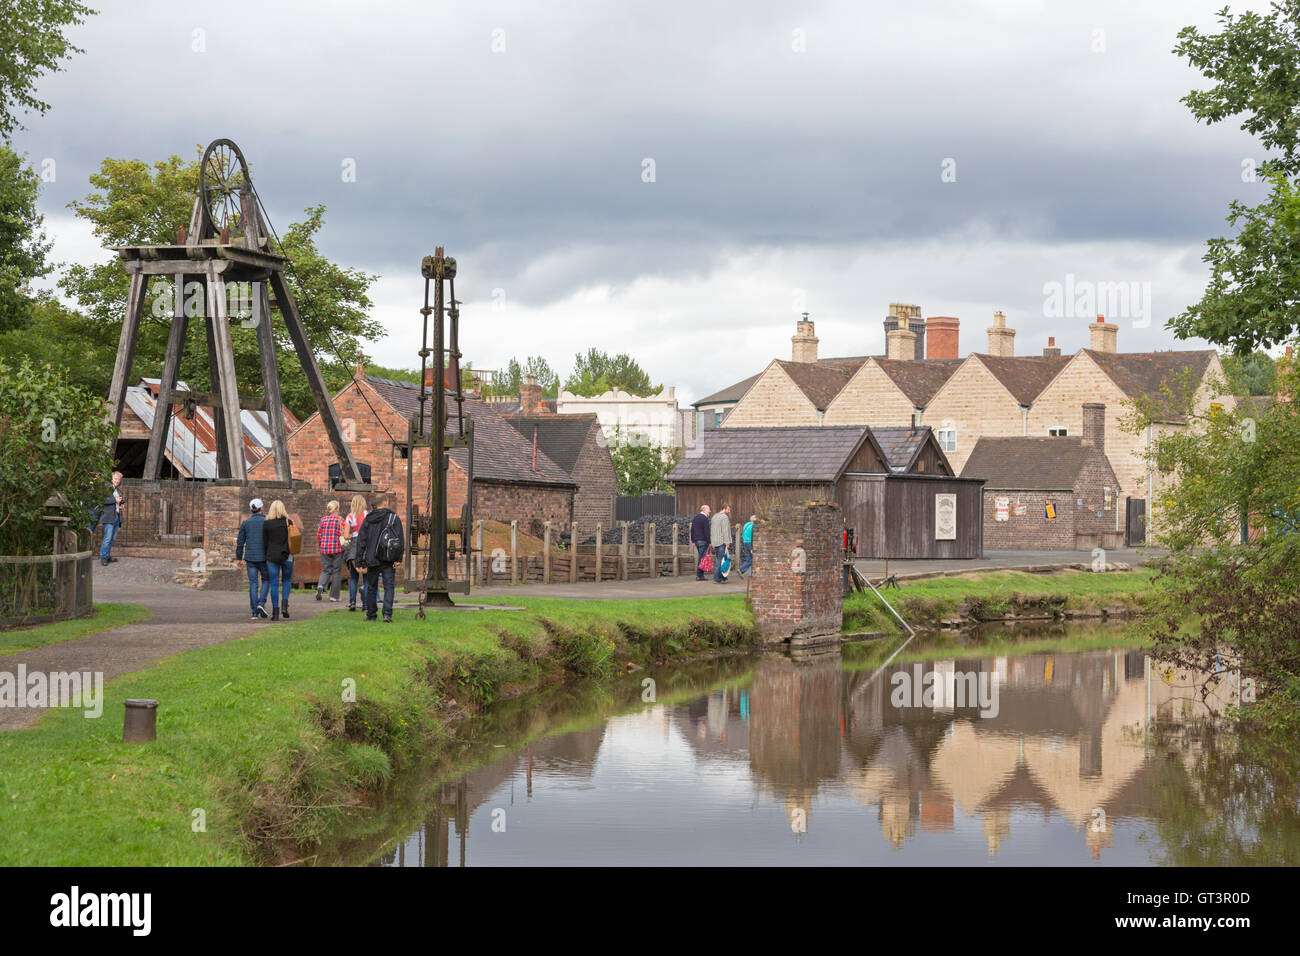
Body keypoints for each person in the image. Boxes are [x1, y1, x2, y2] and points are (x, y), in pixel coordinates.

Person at [356, 497, 403, 623]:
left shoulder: (368, 519)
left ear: (374, 507)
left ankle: (371, 614)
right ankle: (387, 614)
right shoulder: (393, 518)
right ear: (385, 503)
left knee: (371, 587)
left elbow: (361, 541)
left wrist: (359, 560)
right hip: (388, 558)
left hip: (372, 558)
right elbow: (400, 538)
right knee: (389, 587)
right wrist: (398, 557)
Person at [235, 498, 270, 620]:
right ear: (262, 508)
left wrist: (239, 558)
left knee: (253, 583)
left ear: (251, 510)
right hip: (264, 557)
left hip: (250, 558)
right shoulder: (267, 521)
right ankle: (261, 603)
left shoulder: (245, 523)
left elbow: (240, 542)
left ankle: (254, 611)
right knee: (266, 580)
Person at [263, 500, 296, 621]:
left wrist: (267, 554)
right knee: (287, 580)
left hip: (272, 556)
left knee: (274, 584)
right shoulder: (289, 522)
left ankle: (275, 613)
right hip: (287, 555)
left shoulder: (267, 524)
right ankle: (284, 606)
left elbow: (265, 542)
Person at [316, 500, 345, 602]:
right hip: (337, 549)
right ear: (337, 509)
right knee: (336, 571)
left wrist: (321, 546)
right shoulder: (340, 520)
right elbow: (344, 534)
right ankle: (334, 596)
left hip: (324, 548)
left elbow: (319, 535)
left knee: (326, 570)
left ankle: (321, 585)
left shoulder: (323, 520)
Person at [343, 494, 369, 612]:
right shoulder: (367, 515)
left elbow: (346, 535)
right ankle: (366, 604)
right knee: (367, 577)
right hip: (366, 548)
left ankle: (352, 602)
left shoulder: (349, 517)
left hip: (353, 549)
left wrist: (353, 534)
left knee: (353, 578)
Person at [98, 471, 124, 567]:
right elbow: (101, 500)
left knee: (112, 538)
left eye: (118, 479)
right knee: (107, 538)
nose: (117, 481)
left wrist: (121, 505)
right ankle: (103, 558)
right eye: (115, 479)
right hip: (108, 517)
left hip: (116, 516)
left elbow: (118, 501)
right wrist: (115, 500)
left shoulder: (117, 490)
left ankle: (107, 556)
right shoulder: (107, 487)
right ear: (112, 479)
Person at [710, 504, 732, 584]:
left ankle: (721, 577)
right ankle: (718, 578)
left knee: (719, 559)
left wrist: (712, 542)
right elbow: (725, 530)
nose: (729, 511)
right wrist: (727, 542)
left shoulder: (714, 516)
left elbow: (712, 530)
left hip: (715, 542)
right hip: (722, 541)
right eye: (728, 509)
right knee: (721, 560)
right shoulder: (724, 517)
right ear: (724, 509)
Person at [690, 504, 712, 581]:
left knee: (701, 557)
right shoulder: (705, 518)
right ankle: (699, 575)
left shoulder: (695, 517)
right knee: (702, 558)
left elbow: (692, 530)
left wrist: (693, 540)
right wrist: (709, 541)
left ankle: (701, 575)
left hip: (696, 541)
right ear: (704, 510)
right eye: (709, 509)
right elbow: (707, 531)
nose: (710, 511)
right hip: (703, 540)